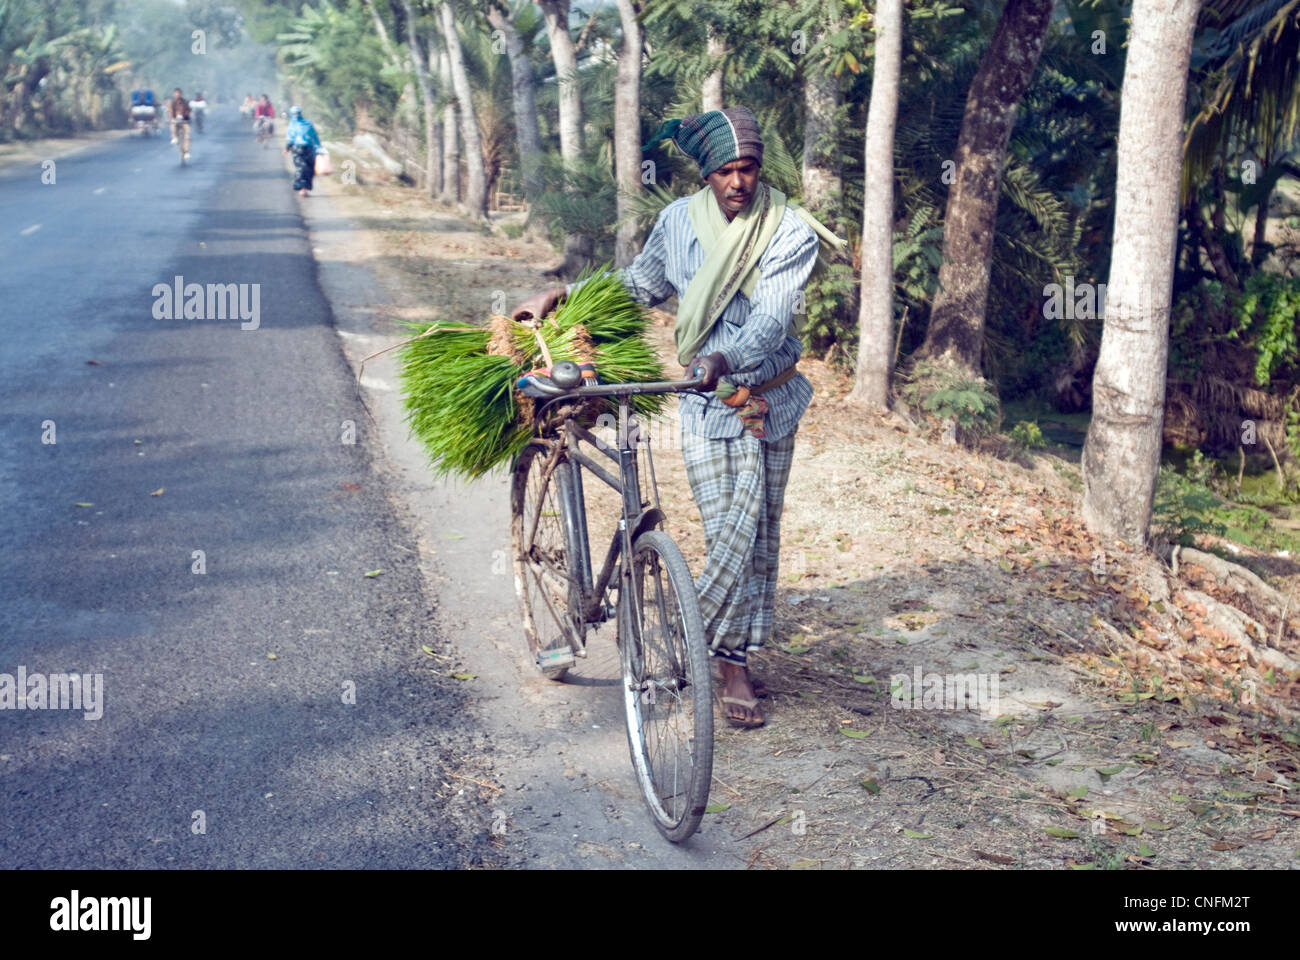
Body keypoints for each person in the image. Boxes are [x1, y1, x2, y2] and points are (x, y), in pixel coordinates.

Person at [510, 106, 845, 728]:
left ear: (760, 171)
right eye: (725, 171)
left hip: (768, 398)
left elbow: (773, 320)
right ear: (707, 174)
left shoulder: (789, 230)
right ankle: (718, 657)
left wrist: (726, 356)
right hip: (704, 403)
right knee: (727, 534)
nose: (738, 182)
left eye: (748, 169)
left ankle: (730, 653)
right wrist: (566, 296)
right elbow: (640, 285)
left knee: (761, 536)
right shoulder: (675, 224)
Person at [282, 105, 321, 197]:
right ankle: (302, 189)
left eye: (297, 113)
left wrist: (319, 148)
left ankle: (306, 188)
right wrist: (287, 148)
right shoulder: (292, 125)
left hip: (309, 149)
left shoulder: (308, 124)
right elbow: (290, 138)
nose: (296, 115)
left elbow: (314, 136)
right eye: (294, 113)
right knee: (302, 168)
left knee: (310, 170)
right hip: (297, 150)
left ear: (300, 113)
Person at [167, 88, 191, 161]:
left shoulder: (185, 102)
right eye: (176, 93)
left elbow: (188, 110)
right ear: (174, 94)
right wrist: (172, 118)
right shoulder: (172, 102)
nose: (177, 95)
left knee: (187, 135)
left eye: (178, 93)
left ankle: (186, 152)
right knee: (172, 125)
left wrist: (185, 116)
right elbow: (170, 111)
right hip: (175, 120)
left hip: (184, 120)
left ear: (180, 94)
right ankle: (174, 137)